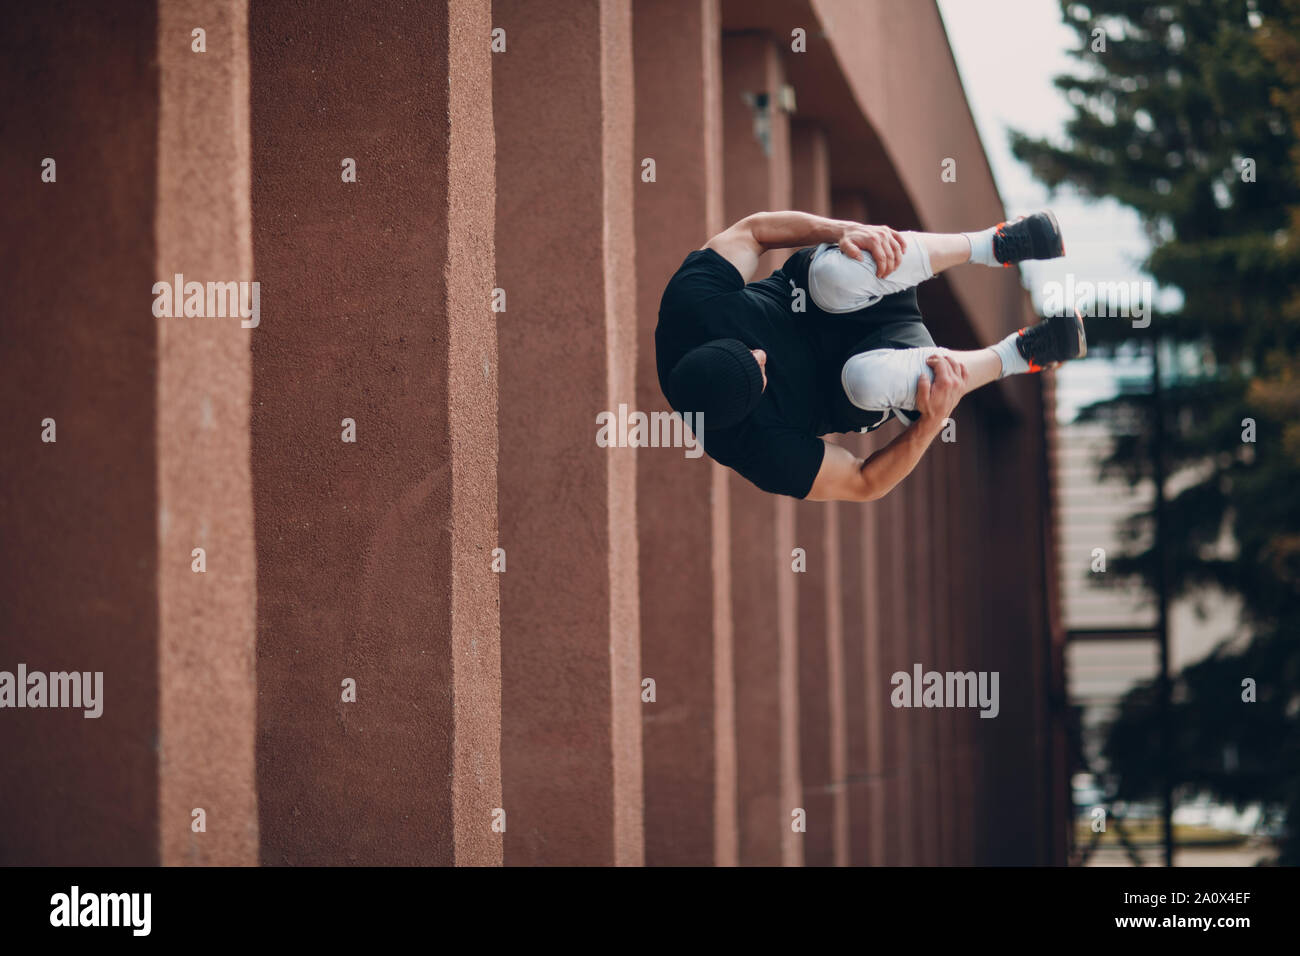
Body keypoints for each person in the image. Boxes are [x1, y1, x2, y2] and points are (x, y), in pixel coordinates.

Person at [655, 210, 1085, 501]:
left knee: (833, 272)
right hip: (870, 370)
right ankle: (1019, 354)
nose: (764, 355)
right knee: (866, 380)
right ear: (745, 410)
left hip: (834, 294)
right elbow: (864, 482)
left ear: (709, 343)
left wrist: (839, 230)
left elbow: (754, 231)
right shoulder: (753, 449)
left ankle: (992, 244)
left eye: (750, 351)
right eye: (761, 372)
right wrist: (932, 423)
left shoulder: (689, 307)